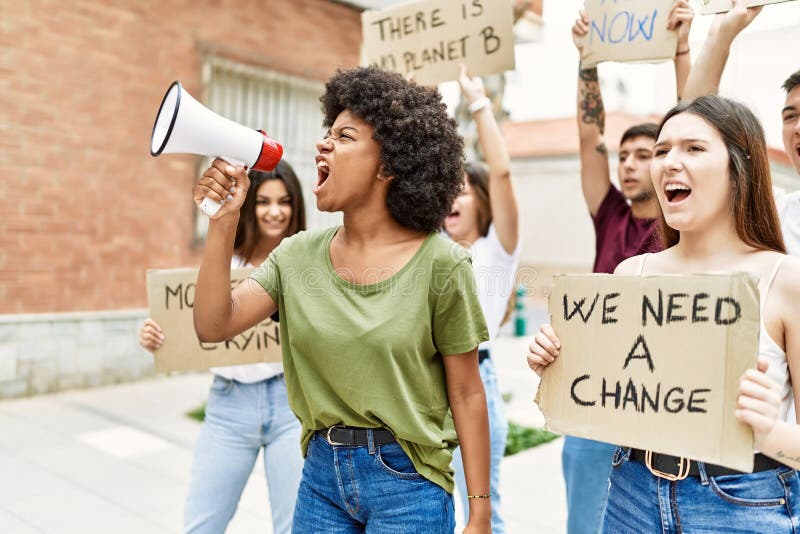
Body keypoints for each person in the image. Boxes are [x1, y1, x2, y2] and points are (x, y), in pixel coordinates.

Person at [191, 66, 492, 533]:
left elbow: (468, 392)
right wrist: (223, 220)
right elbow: (213, 325)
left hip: (410, 487)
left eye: (344, 136)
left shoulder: (443, 264)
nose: (323, 145)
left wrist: (480, 512)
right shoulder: (295, 256)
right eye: (327, 133)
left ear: (389, 165)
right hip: (321, 481)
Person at [528, 94, 800, 531]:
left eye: (694, 148)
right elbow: (612, 396)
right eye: (662, 150)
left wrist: (769, 431)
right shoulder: (630, 273)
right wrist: (559, 363)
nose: (670, 162)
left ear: (739, 166)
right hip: (630, 493)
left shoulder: (786, 280)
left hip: (740, 502)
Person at [561, 3, 694, 532]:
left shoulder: (681, 220)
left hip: (656, 394)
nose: (632, 164)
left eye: (646, 153)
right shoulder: (609, 210)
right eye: (625, 155)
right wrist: (586, 60)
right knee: (584, 521)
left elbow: (696, 116)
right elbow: (586, 135)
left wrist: (682, 49)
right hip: (595, 391)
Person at [139, 161, 306, 534]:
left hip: (290, 405)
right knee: (203, 524)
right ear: (250, 206)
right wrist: (157, 336)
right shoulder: (224, 263)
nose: (275, 212)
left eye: (284, 202)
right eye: (264, 202)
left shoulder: (306, 265)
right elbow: (191, 321)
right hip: (229, 406)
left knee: (295, 526)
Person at [446, 63, 520, 534]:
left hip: (477, 379)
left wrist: (477, 102)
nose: (451, 199)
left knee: (481, 511)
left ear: (482, 201)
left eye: (463, 191)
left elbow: (503, 173)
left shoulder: (498, 249)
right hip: (425, 383)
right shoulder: (430, 246)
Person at [680, 0, 799, 257]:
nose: (798, 127)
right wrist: (719, 37)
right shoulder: (775, 215)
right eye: (790, 116)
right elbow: (691, 125)